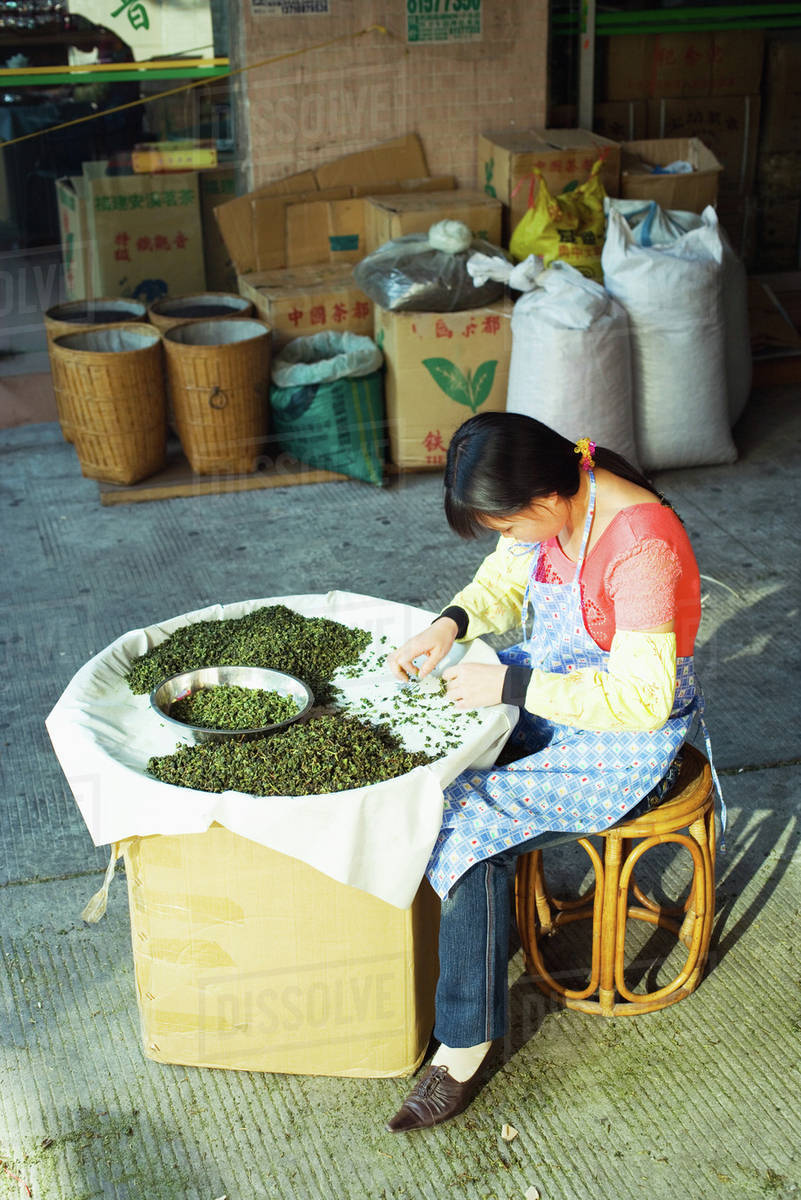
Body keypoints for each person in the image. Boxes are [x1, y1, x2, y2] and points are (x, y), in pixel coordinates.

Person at [385, 412, 715, 1133]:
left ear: (543, 500)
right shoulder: (563, 494)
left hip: (628, 743)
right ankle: (467, 933)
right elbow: (501, 581)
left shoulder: (642, 549)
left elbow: (638, 700)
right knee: (422, 755)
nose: (507, 540)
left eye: (506, 524)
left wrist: (508, 688)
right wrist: (447, 624)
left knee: (466, 820)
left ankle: (463, 1046)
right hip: (554, 689)